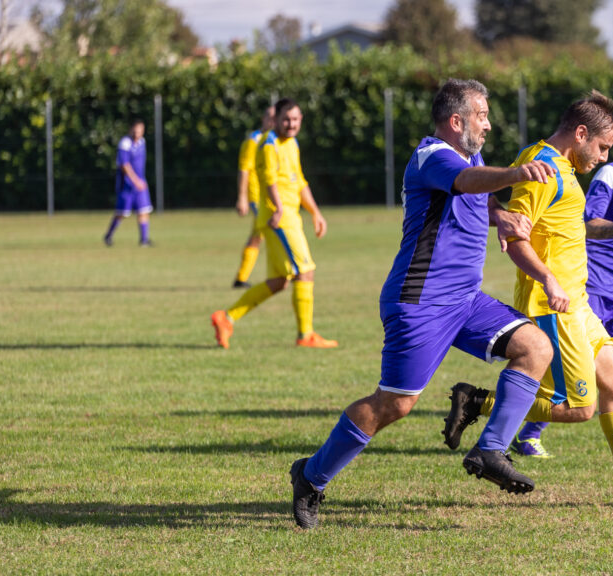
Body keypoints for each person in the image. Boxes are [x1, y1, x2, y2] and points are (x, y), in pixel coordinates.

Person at [288, 79, 558, 530]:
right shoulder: (432, 155)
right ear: (456, 121)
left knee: (535, 348)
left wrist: (499, 214)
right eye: (482, 115)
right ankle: (310, 476)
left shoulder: (471, 157)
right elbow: (463, 182)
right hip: (421, 301)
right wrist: (515, 174)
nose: (489, 124)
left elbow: (471, 192)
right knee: (394, 404)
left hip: (466, 301)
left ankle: (490, 449)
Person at [444, 91, 613, 506]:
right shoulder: (539, 168)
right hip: (552, 305)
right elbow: (515, 238)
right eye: (603, 147)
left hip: (580, 303)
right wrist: (548, 281)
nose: (605, 158)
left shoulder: (564, 166)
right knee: (579, 407)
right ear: (579, 134)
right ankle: (478, 402)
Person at [510, 116, 613, 459]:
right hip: (588, 288)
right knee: (570, 369)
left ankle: (592, 401)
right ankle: (528, 432)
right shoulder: (610, 175)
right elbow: (588, 225)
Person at [210, 98, 338, 350]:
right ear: (276, 119)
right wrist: (279, 208)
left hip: (289, 215)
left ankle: (226, 318)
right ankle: (306, 334)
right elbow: (268, 180)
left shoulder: (291, 143)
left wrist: (316, 212)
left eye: (296, 119)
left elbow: (299, 181)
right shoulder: (268, 144)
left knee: (279, 281)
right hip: (280, 218)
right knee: (305, 270)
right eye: (286, 119)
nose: (291, 124)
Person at [231, 105, 275, 288]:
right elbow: (244, 170)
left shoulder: (275, 140)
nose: (273, 121)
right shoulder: (254, 141)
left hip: (270, 197)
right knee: (268, 233)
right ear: (263, 119)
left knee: (258, 236)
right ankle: (280, 274)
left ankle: (241, 278)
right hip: (257, 198)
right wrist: (242, 197)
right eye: (270, 118)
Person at [103, 119, 151, 246]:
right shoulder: (125, 143)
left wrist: (141, 181)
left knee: (144, 210)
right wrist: (135, 181)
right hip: (128, 184)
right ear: (131, 129)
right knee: (122, 213)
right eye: (135, 130)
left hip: (140, 183)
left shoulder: (142, 142)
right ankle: (108, 235)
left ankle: (144, 240)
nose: (137, 133)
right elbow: (125, 165)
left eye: (140, 131)